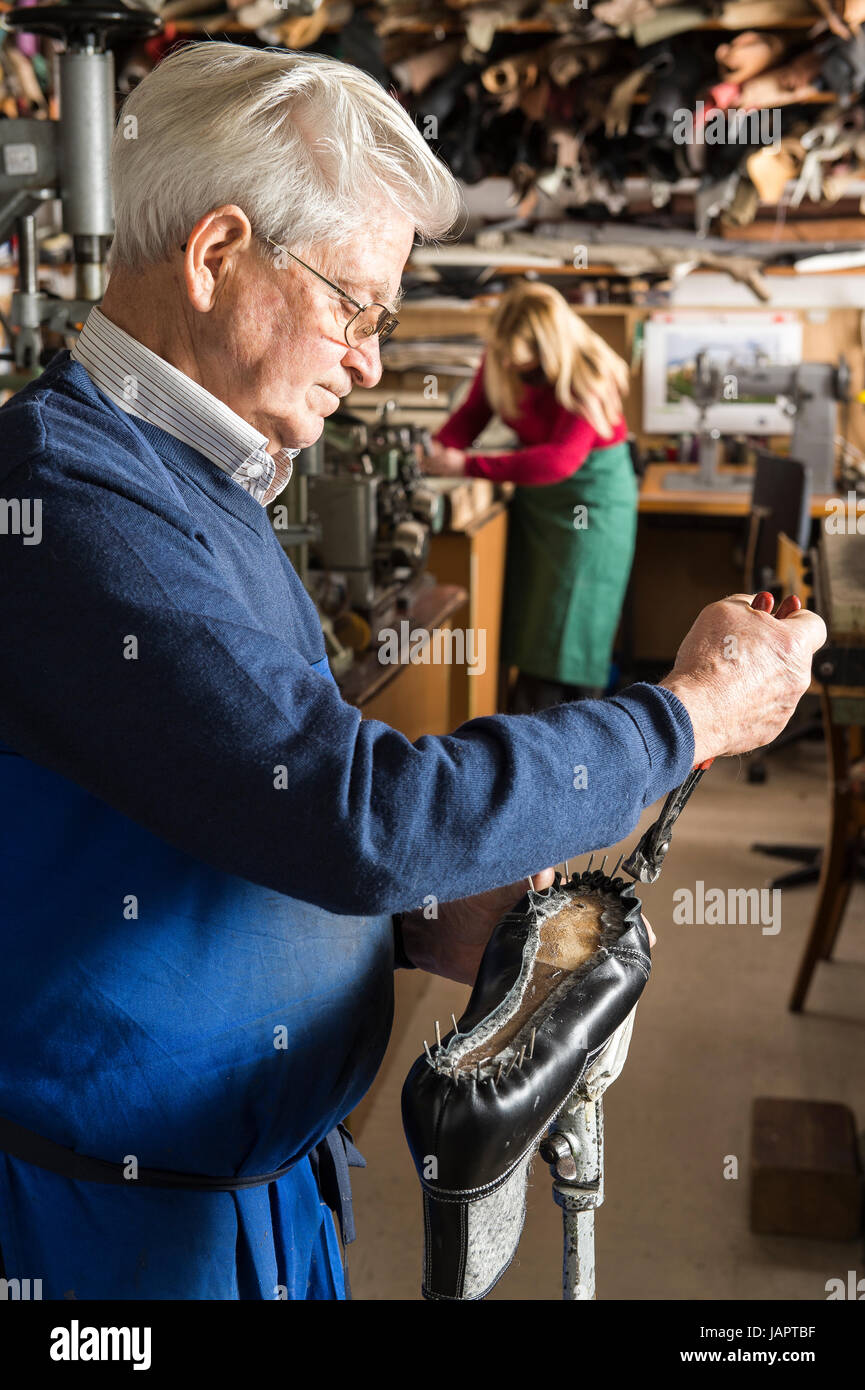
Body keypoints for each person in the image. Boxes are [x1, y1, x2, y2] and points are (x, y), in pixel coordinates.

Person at [0, 42, 824, 1301]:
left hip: (258, 1193)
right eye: (354, 305)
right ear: (218, 255)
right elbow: (354, 807)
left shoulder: (199, 482)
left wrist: (408, 921)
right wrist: (689, 716)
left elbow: (218, 802)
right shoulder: (68, 499)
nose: (374, 359)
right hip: (116, 1243)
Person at [423, 280, 637, 713]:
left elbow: (560, 461)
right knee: (529, 627)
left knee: (569, 635)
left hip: (589, 507)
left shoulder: (588, 373)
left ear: (550, 347)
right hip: (537, 502)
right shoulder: (503, 354)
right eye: (504, 358)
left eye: (524, 363)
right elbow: (470, 418)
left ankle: (572, 747)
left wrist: (465, 466)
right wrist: (433, 453)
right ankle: (525, 736)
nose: (509, 368)